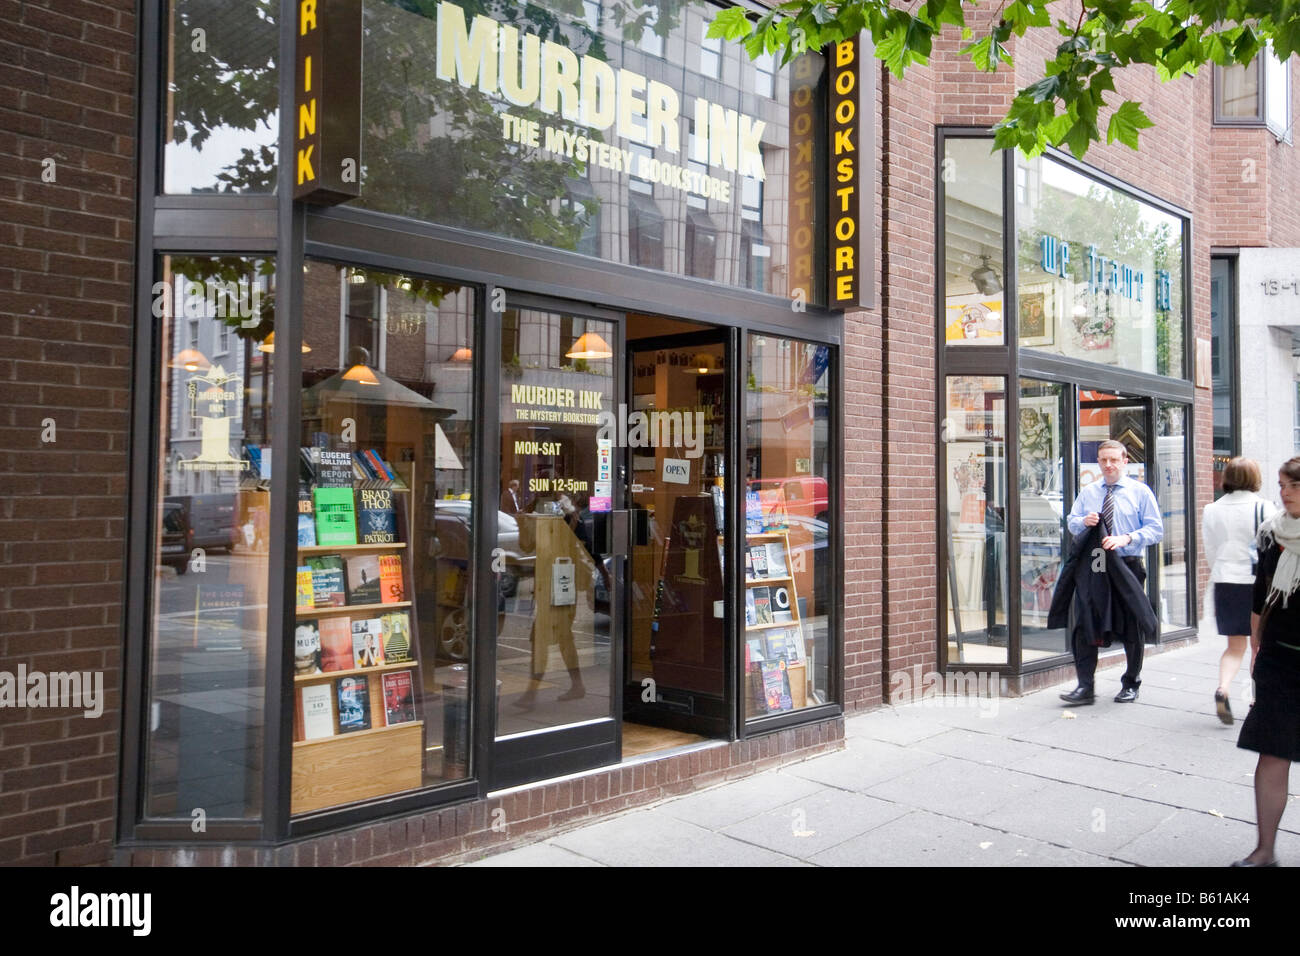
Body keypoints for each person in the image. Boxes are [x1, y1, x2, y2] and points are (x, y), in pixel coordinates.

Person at [1058, 439, 1164, 705]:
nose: (1108, 465)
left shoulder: (1140, 492)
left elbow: (1155, 530)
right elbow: (1071, 522)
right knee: (1086, 623)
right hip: (1096, 564)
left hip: (1127, 564)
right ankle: (1085, 687)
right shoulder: (1089, 492)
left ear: (1124, 461)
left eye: (1114, 460)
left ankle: (1131, 683)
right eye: (1103, 460)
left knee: (1131, 624)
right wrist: (1083, 521)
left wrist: (1127, 538)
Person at [1233, 457, 1300, 867]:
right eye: (1281, 484)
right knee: (1273, 751)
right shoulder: (1272, 534)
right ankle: (1265, 850)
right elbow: (1260, 594)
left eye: (1293, 484)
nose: (1285, 491)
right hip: (1280, 657)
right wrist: (1256, 646)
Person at [1202, 457, 1275, 724]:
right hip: (1256, 583)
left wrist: (1219, 570)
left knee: (1234, 646)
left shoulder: (1211, 509)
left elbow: (1210, 550)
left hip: (1225, 580)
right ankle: (1257, 700)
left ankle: (1223, 688)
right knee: (1259, 646)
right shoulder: (1265, 507)